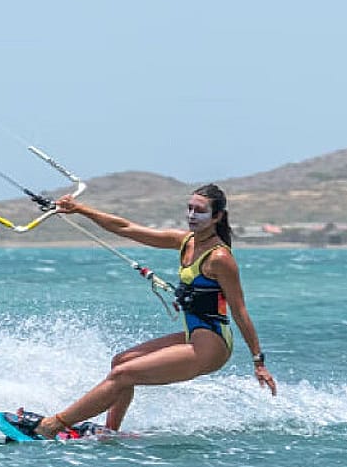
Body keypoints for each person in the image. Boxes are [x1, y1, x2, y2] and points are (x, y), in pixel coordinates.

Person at [30, 183, 276, 439]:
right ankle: (110, 432)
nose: (192, 215)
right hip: (194, 336)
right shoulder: (185, 242)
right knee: (121, 362)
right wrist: (80, 209)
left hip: (211, 346)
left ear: (217, 217)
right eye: (189, 208)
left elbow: (239, 309)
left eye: (200, 211)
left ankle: (52, 425)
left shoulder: (220, 258)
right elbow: (127, 228)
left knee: (122, 375)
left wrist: (258, 362)